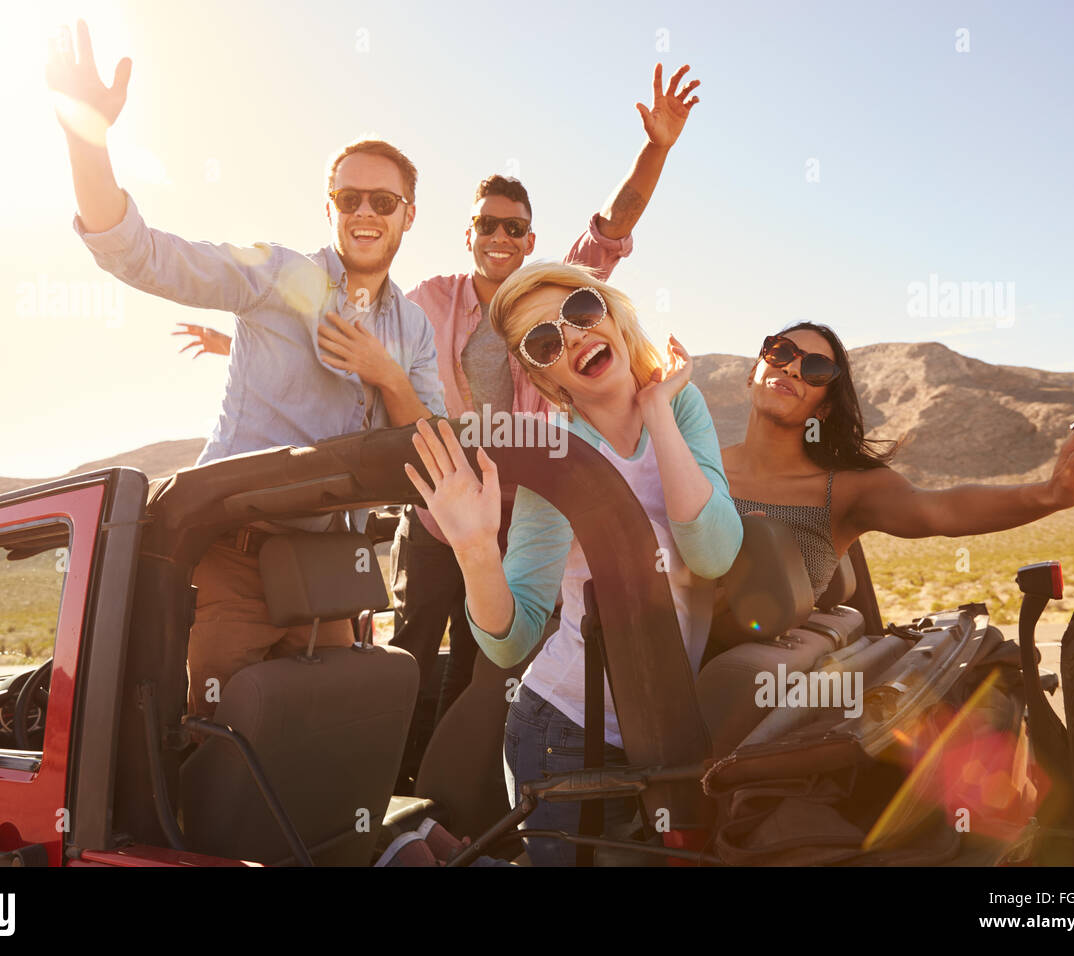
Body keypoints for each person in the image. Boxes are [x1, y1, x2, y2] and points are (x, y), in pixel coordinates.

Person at [171, 64, 705, 728]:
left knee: (498, 662)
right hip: (436, 514)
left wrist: (655, 148)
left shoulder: (553, 301)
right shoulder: (427, 303)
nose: (500, 238)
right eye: (488, 226)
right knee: (417, 647)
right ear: (469, 235)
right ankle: (398, 783)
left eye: (514, 228)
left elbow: (610, 226)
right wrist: (245, 345)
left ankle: (474, 797)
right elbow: (350, 336)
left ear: (531, 241)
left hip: (523, 513)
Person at [47, 20, 447, 717]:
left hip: (334, 574)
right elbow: (136, 252)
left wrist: (388, 375)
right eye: (348, 198)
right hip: (236, 556)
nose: (364, 212)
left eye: (382, 201)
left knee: (320, 738)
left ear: (407, 216)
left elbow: (434, 449)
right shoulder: (276, 275)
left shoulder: (411, 328)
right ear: (330, 209)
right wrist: (87, 137)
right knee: (218, 737)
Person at [403, 262, 743, 865]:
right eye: (544, 341)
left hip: (660, 724)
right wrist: (476, 548)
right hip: (564, 730)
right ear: (542, 373)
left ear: (610, 309)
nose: (576, 335)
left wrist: (658, 406)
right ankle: (414, 852)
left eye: (581, 310)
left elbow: (712, 553)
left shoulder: (682, 407)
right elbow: (511, 643)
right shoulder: (554, 458)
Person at [722, 322, 1074, 598]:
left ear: (825, 407)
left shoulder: (847, 490)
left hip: (754, 697)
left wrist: (1050, 494)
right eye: (781, 352)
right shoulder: (693, 468)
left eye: (816, 369)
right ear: (754, 370)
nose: (793, 369)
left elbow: (941, 509)